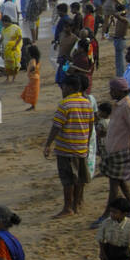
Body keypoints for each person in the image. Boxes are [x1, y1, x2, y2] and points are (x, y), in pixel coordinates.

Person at [42, 75, 96, 218]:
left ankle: (67, 208)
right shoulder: (86, 103)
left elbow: (56, 126)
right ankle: (76, 205)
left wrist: (48, 144)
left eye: (64, 87)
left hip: (66, 148)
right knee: (79, 178)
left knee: (67, 179)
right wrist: (86, 141)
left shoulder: (65, 104)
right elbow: (91, 125)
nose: (62, 90)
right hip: (81, 147)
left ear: (70, 87)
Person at [98, 77, 130, 221]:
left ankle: (107, 214)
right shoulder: (118, 105)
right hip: (114, 150)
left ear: (119, 91)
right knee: (120, 181)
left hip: (121, 150)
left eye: (112, 90)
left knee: (114, 185)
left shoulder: (128, 107)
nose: (110, 92)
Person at [20, 42, 41, 110]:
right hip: (35, 78)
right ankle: (33, 106)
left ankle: (33, 106)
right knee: (32, 92)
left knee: (31, 92)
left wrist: (32, 70)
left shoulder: (32, 60)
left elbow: (33, 66)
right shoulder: (37, 59)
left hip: (33, 78)